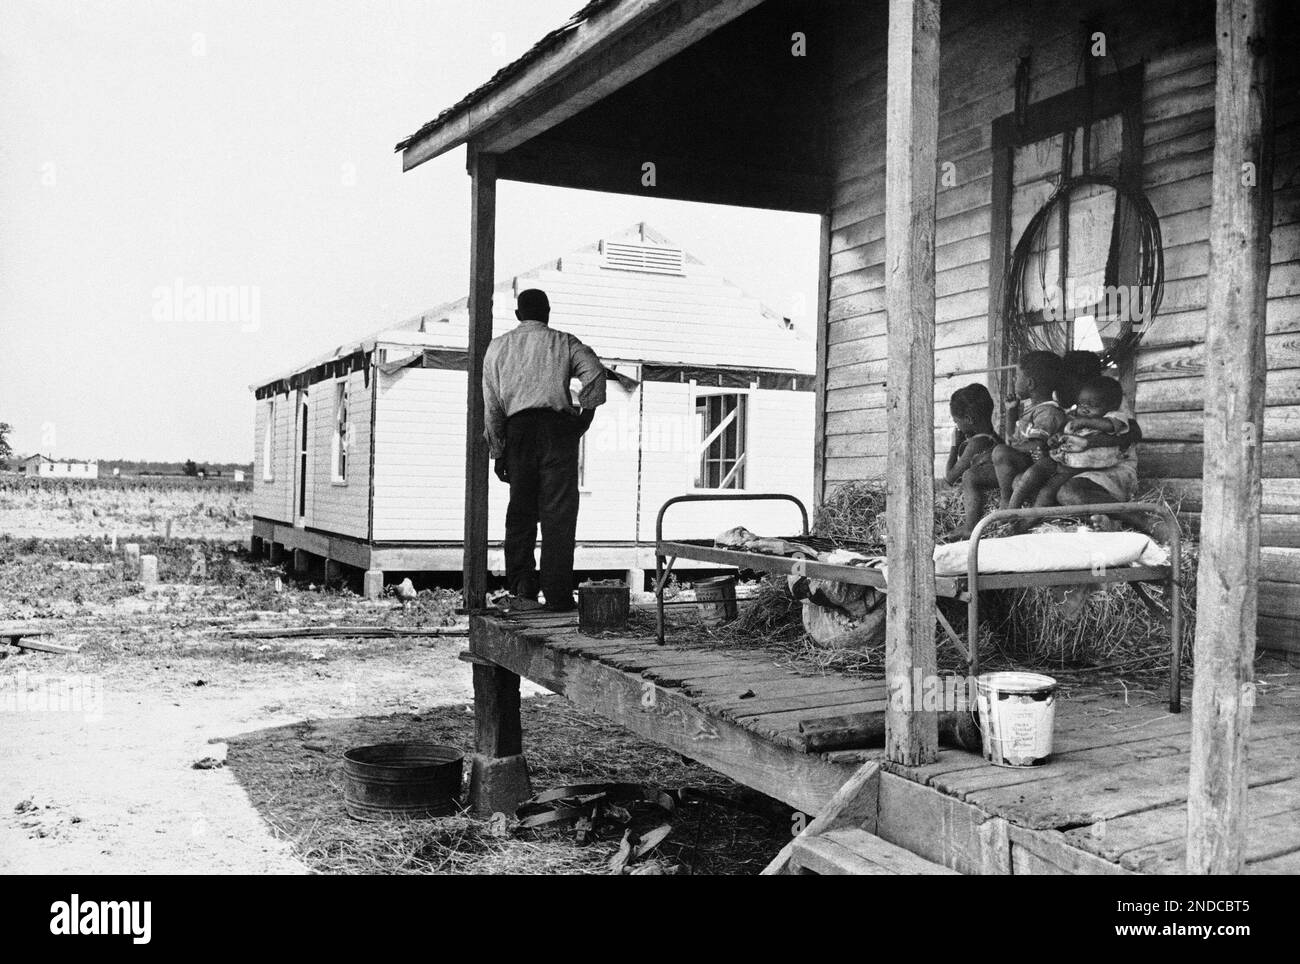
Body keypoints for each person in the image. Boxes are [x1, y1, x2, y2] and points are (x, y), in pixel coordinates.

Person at [483, 288, 607, 611]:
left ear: (517, 315)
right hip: (557, 433)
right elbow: (594, 373)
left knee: (521, 513)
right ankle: (557, 594)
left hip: (519, 433)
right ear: (548, 313)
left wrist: (498, 453)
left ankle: (523, 590)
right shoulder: (564, 342)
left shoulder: (497, 349)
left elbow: (493, 407)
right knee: (559, 515)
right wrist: (583, 420)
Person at [1005, 374, 1129, 529]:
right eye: (1081, 403)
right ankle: (1009, 512)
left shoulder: (1114, 417)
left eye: (1092, 405)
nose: (1084, 408)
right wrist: (1055, 438)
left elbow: (1110, 426)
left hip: (1077, 467)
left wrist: (1085, 422)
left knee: (1047, 491)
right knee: (1030, 475)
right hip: (1060, 457)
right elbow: (1063, 433)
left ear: (1110, 406)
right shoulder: (1074, 415)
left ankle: (1029, 521)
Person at [990, 350, 1068, 509]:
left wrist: (1009, 450)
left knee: (1000, 452)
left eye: (1017, 376)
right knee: (993, 458)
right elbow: (1013, 437)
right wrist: (1011, 411)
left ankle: (1006, 501)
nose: (1014, 379)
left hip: (1040, 470)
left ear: (1030, 383)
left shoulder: (1048, 413)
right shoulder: (1032, 409)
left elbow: (1037, 446)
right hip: (1026, 465)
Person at [942, 383, 1002, 538]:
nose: (957, 426)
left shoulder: (976, 443)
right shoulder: (994, 437)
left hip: (995, 478)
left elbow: (950, 478)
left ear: (968, 419)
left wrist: (954, 446)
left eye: (956, 421)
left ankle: (970, 526)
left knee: (969, 476)